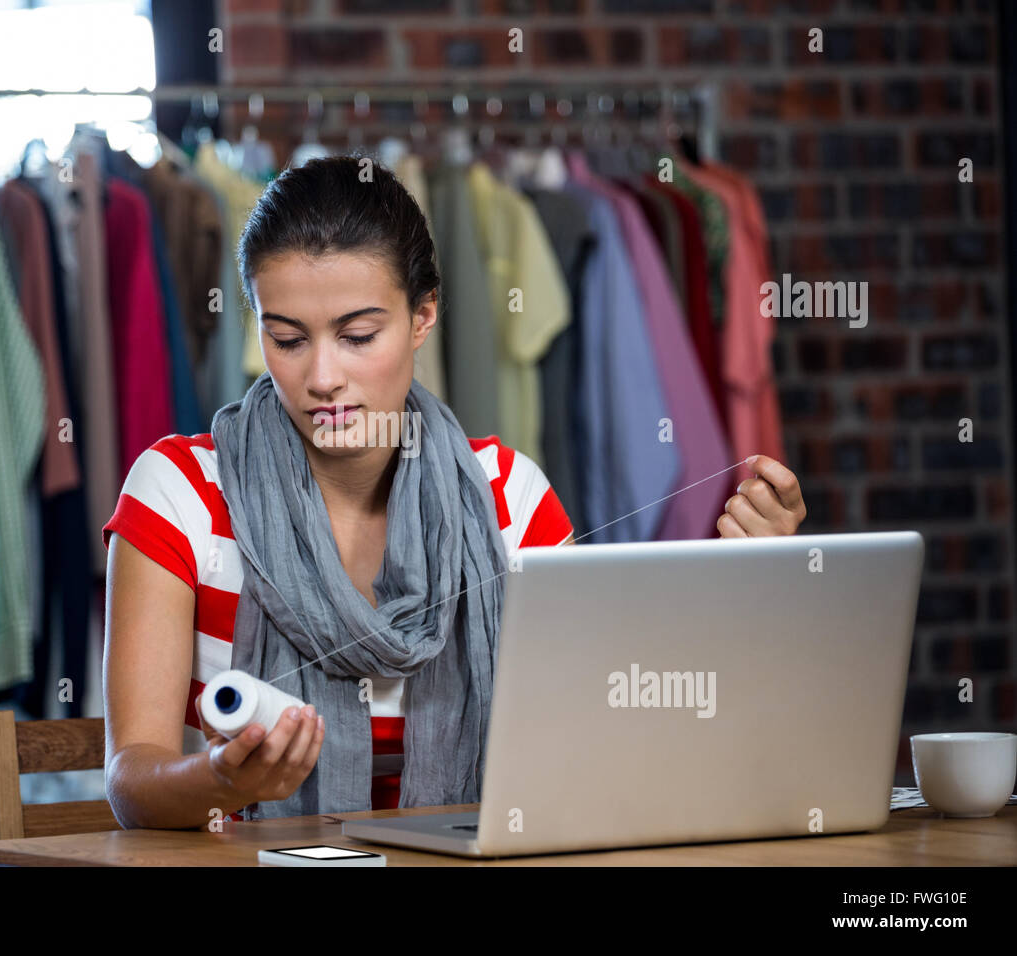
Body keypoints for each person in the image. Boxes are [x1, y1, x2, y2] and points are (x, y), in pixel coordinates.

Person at [102, 156, 807, 830]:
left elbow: (601, 724)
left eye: (357, 335)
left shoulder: (509, 497)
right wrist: (223, 782)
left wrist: (742, 587)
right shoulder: (181, 494)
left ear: (423, 317)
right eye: (287, 338)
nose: (322, 377)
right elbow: (133, 783)